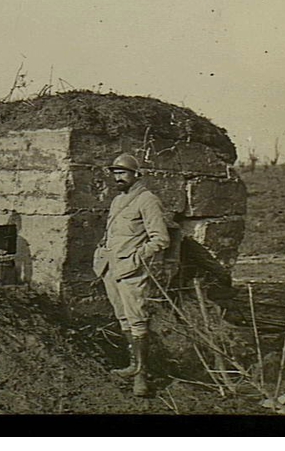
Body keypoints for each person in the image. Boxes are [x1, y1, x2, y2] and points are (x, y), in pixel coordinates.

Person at [92, 153, 171, 397]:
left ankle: (142, 376)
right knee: (123, 319)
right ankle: (132, 365)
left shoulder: (147, 200)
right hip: (110, 269)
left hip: (132, 273)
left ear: (137, 174)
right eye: (115, 173)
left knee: (137, 320)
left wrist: (136, 259)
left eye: (123, 173)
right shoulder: (118, 201)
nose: (118, 177)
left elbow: (161, 239)